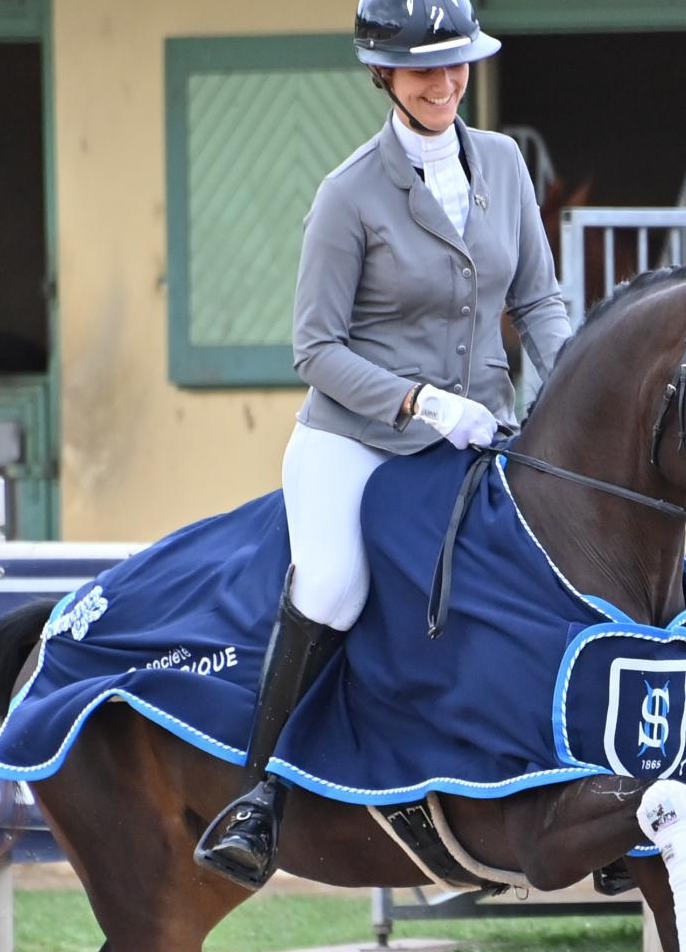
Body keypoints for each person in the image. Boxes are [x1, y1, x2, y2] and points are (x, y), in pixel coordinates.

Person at [197, 0, 570, 887]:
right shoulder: (349, 193)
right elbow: (315, 349)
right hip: (358, 440)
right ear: (383, 75)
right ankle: (258, 796)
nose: (444, 83)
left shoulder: (507, 166)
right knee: (334, 582)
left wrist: (566, 390)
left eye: (457, 64)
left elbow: (541, 304)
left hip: (482, 432)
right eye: (423, 70)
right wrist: (421, 404)